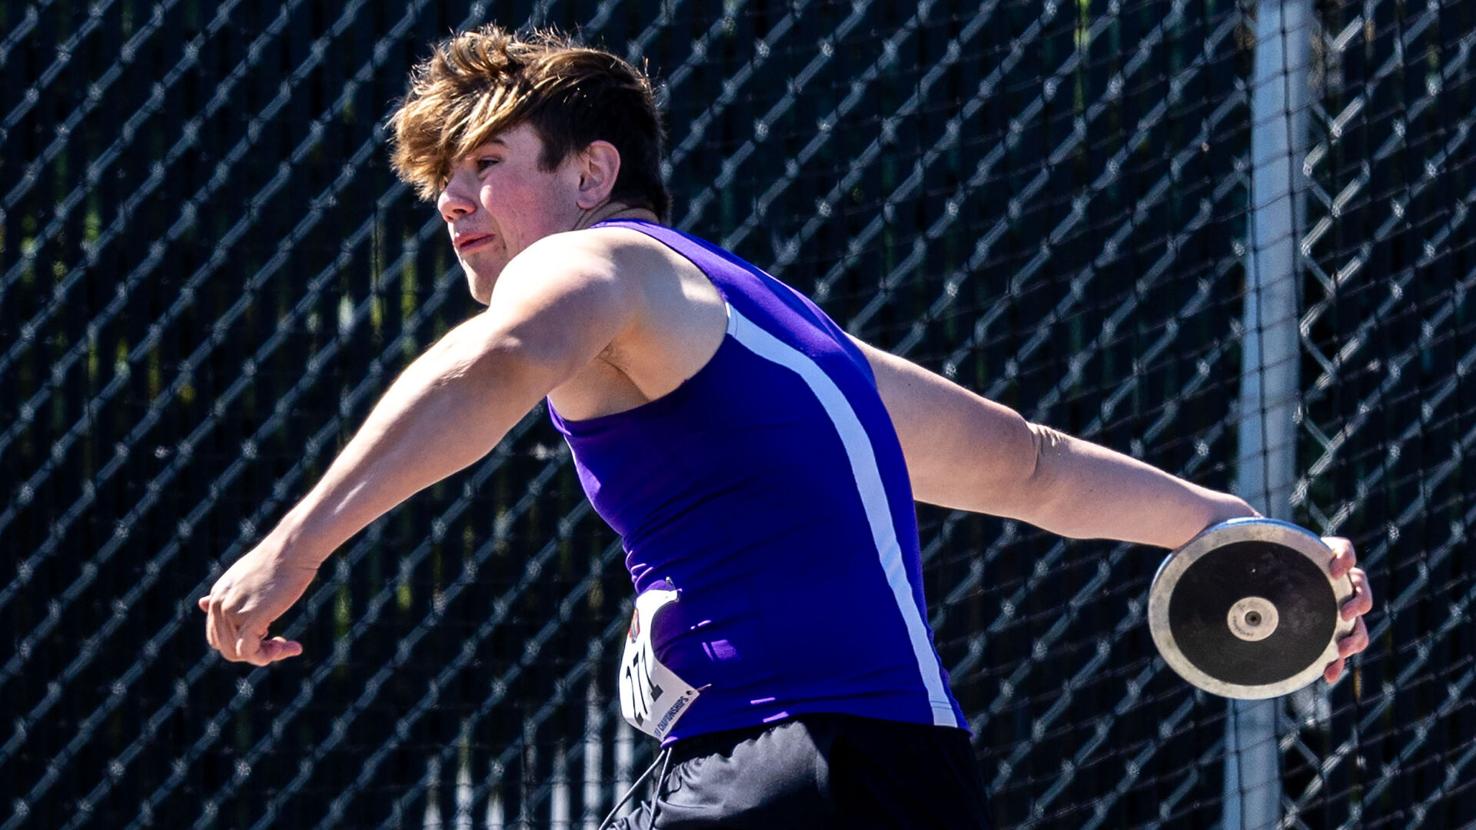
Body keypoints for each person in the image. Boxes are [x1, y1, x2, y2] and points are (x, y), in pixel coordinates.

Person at [198, 25, 1374, 828]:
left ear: (594, 171)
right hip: (918, 780)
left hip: (768, 764)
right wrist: (1244, 528)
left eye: (486, 163)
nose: (452, 200)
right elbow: (1030, 463)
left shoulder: (594, 262)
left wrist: (295, 541)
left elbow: (494, 363)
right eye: (440, 182)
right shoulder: (786, 330)